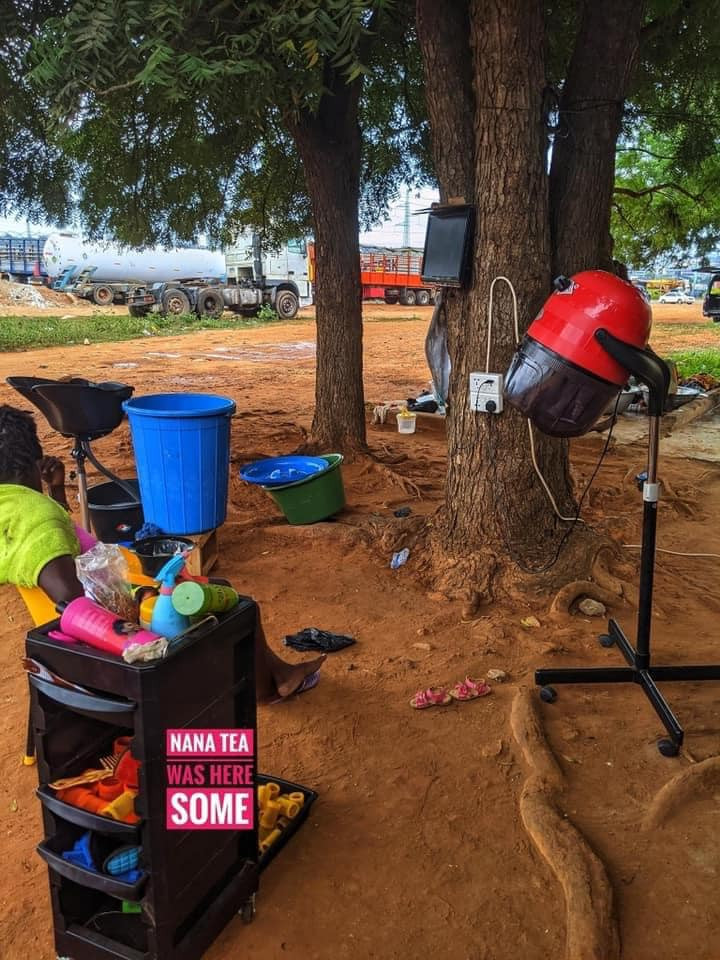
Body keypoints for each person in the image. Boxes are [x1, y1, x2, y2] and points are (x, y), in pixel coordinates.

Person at [0, 404, 323, 702]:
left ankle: (279, 672)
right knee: (234, 602)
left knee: (215, 586)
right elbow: (72, 606)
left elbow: (50, 547)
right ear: (32, 459)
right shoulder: (36, 517)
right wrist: (138, 634)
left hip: (82, 621)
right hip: (110, 632)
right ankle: (266, 691)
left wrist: (55, 490)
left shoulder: (13, 508)